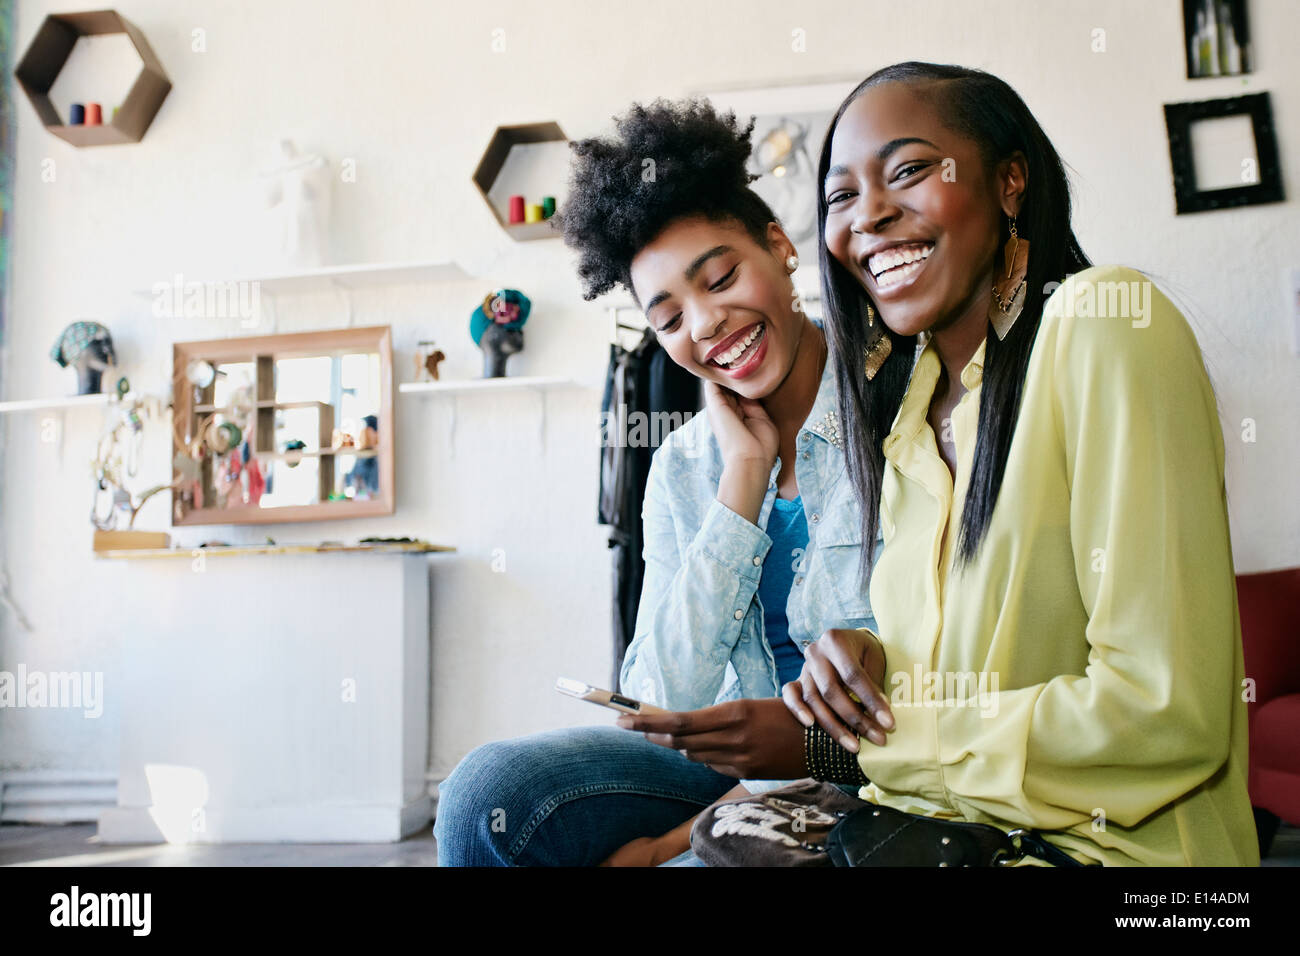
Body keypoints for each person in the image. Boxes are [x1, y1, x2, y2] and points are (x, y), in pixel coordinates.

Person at [766, 61, 1257, 866]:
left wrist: (851, 750)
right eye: (841, 197)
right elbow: (984, 676)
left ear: (1011, 183)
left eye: (910, 171)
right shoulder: (905, 419)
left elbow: (1164, 714)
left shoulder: (1104, 323)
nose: (870, 216)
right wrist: (874, 669)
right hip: (936, 836)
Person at [433, 98, 884, 867]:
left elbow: (879, 720)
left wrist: (668, 849)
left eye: (721, 277)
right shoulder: (682, 464)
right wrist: (741, 484)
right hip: (722, 769)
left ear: (780, 247)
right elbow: (661, 696)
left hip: (864, 765)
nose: (704, 324)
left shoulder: (903, 403)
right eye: (669, 318)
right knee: (486, 795)